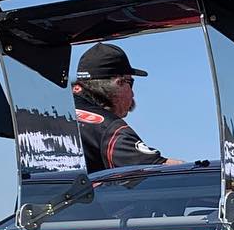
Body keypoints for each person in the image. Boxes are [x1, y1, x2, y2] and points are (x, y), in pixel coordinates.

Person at [71, 42, 181, 173]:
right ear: (120, 83)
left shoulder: (51, 111)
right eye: (131, 83)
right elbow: (161, 170)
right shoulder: (109, 129)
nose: (133, 94)